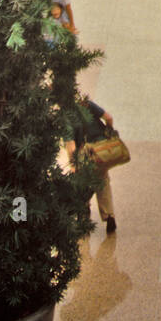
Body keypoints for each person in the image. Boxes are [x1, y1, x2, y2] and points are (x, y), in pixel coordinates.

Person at [68, 99, 118, 233]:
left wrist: (74, 165)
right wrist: (109, 130)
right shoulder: (86, 103)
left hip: (85, 152)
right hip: (101, 149)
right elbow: (108, 117)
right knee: (102, 180)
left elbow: (71, 146)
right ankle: (109, 215)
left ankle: (84, 212)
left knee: (83, 183)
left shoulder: (66, 116)